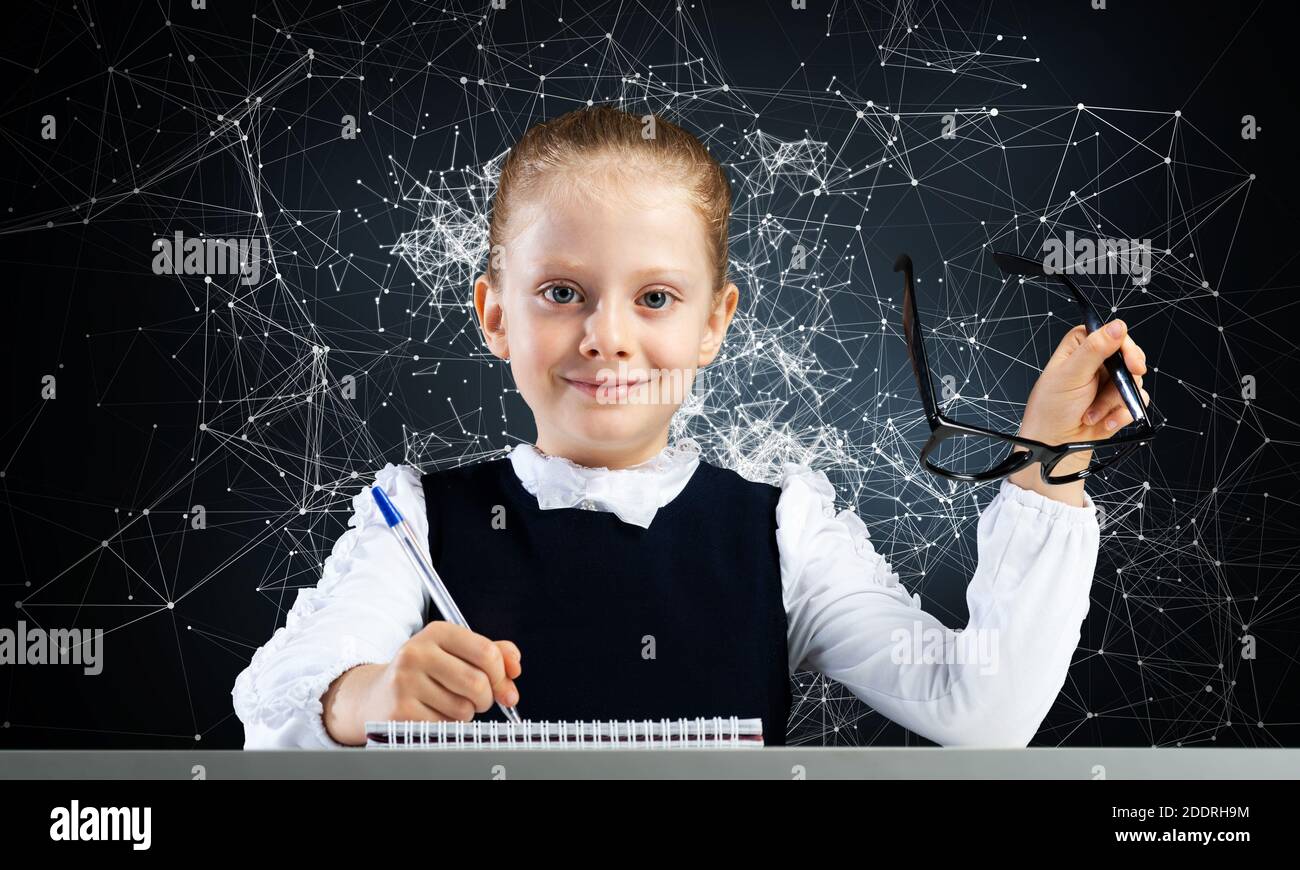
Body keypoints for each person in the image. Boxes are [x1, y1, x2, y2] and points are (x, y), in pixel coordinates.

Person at [232, 105, 1150, 748]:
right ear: (495, 313)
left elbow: (980, 710)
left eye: (657, 298)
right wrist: (368, 696)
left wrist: (1051, 460)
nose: (607, 337)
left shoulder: (783, 530)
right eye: (561, 293)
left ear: (715, 322)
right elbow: (273, 710)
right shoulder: (411, 522)